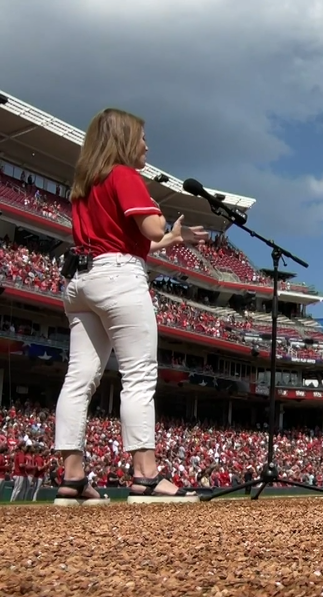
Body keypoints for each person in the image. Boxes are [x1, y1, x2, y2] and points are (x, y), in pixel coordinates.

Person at [53, 108, 207, 505]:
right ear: (124, 140)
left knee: (79, 378)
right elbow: (149, 229)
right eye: (141, 138)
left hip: (81, 281)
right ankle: (146, 476)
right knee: (138, 375)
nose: (146, 145)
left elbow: (131, 241)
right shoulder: (125, 175)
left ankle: (72, 479)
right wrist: (164, 223)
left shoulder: (85, 185)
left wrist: (172, 239)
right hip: (118, 279)